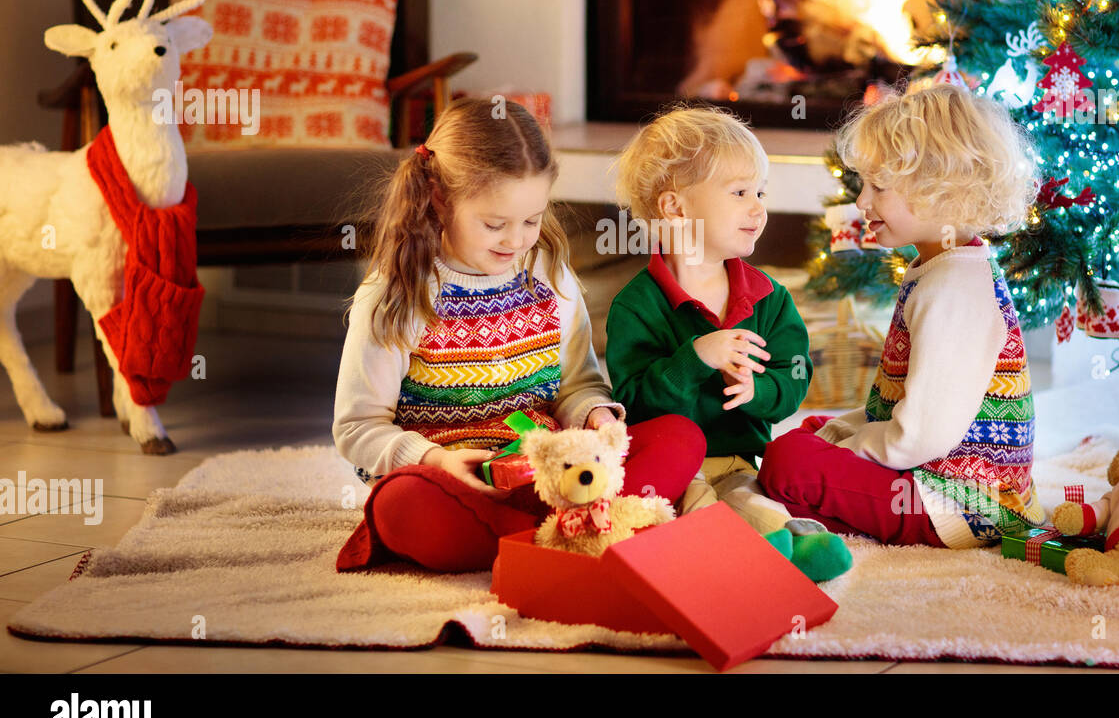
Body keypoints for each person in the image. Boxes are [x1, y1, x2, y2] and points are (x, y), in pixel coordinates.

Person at [334, 98, 704, 573]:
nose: (516, 240)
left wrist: (594, 415)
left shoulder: (548, 273)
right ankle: (581, 533)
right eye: (495, 224)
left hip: (550, 474)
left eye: (532, 220)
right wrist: (434, 459)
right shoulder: (397, 294)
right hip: (455, 484)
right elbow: (356, 428)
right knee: (399, 507)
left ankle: (554, 533)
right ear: (439, 198)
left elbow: (578, 384)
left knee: (680, 435)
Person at [758, 85, 1047, 548]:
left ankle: (805, 514)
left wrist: (848, 449)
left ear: (940, 188)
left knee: (787, 460)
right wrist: (840, 435)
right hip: (941, 482)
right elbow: (900, 409)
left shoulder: (953, 290)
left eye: (878, 187)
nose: (861, 203)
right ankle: (813, 502)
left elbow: (922, 435)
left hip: (959, 507)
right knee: (816, 432)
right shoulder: (944, 265)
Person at [606, 104, 851, 581]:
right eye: (739, 192)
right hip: (675, 467)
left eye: (759, 192)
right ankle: (741, 553)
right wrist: (695, 358)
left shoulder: (768, 298)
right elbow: (630, 402)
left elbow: (795, 376)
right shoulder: (636, 306)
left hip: (740, 459)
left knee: (751, 497)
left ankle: (786, 541)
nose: (758, 208)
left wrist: (757, 391)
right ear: (675, 207)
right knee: (695, 505)